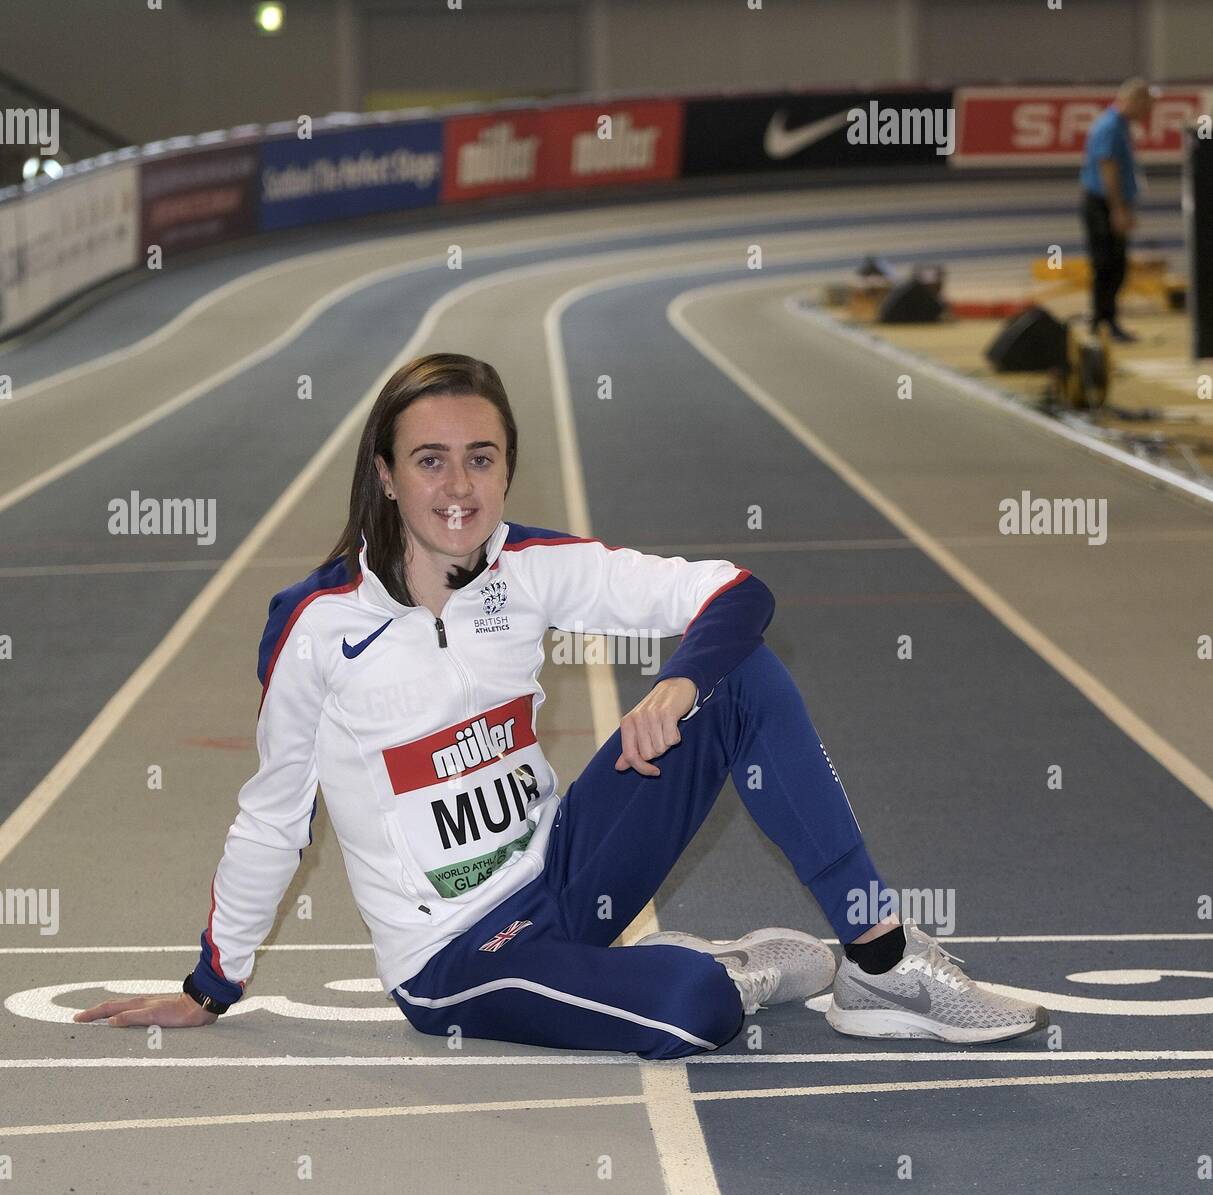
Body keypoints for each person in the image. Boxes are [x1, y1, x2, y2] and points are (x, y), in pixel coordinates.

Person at [75, 354, 1047, 1056]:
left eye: (482, 457)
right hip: (455, 952)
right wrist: (211, 985)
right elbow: (273, 816)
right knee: (690, 1008)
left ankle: (878, 956)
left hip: (568, 871)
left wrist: (676, 680)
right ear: (383, 471)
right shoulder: (317, 627)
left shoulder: (529, 569)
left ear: (507, 466)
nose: (460, 486)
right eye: (430, 459)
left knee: (739, 674)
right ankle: (733, 965)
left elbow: (737, 593)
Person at [1079, 77, 1155, 342]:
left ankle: (1107, 321)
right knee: (1106, 265)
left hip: (1109, 204)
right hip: (1102, 205)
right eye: (1147, 106)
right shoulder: (1110, 126)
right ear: (1134, 101)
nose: (1149, 113)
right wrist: (1118, 210)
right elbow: (1108, 168)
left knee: (1116, 265)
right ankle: (1102, 323)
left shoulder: (1119, 125)